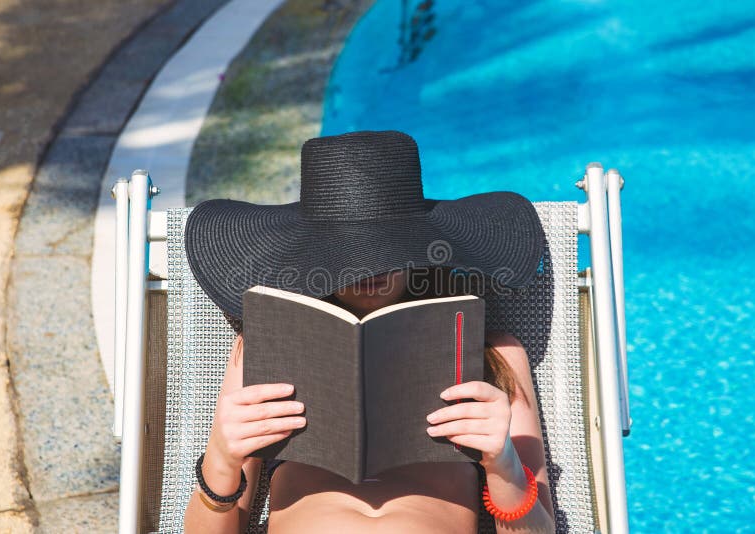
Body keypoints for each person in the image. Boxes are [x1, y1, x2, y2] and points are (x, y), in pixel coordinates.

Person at [182, 130, 556, 533]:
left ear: (420, 248)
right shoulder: (268, 347)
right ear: (313, 254)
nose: (369, 272)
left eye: (387, 251)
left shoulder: (494, 353)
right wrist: (221, 457)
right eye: (345, 255)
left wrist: (504, 464)